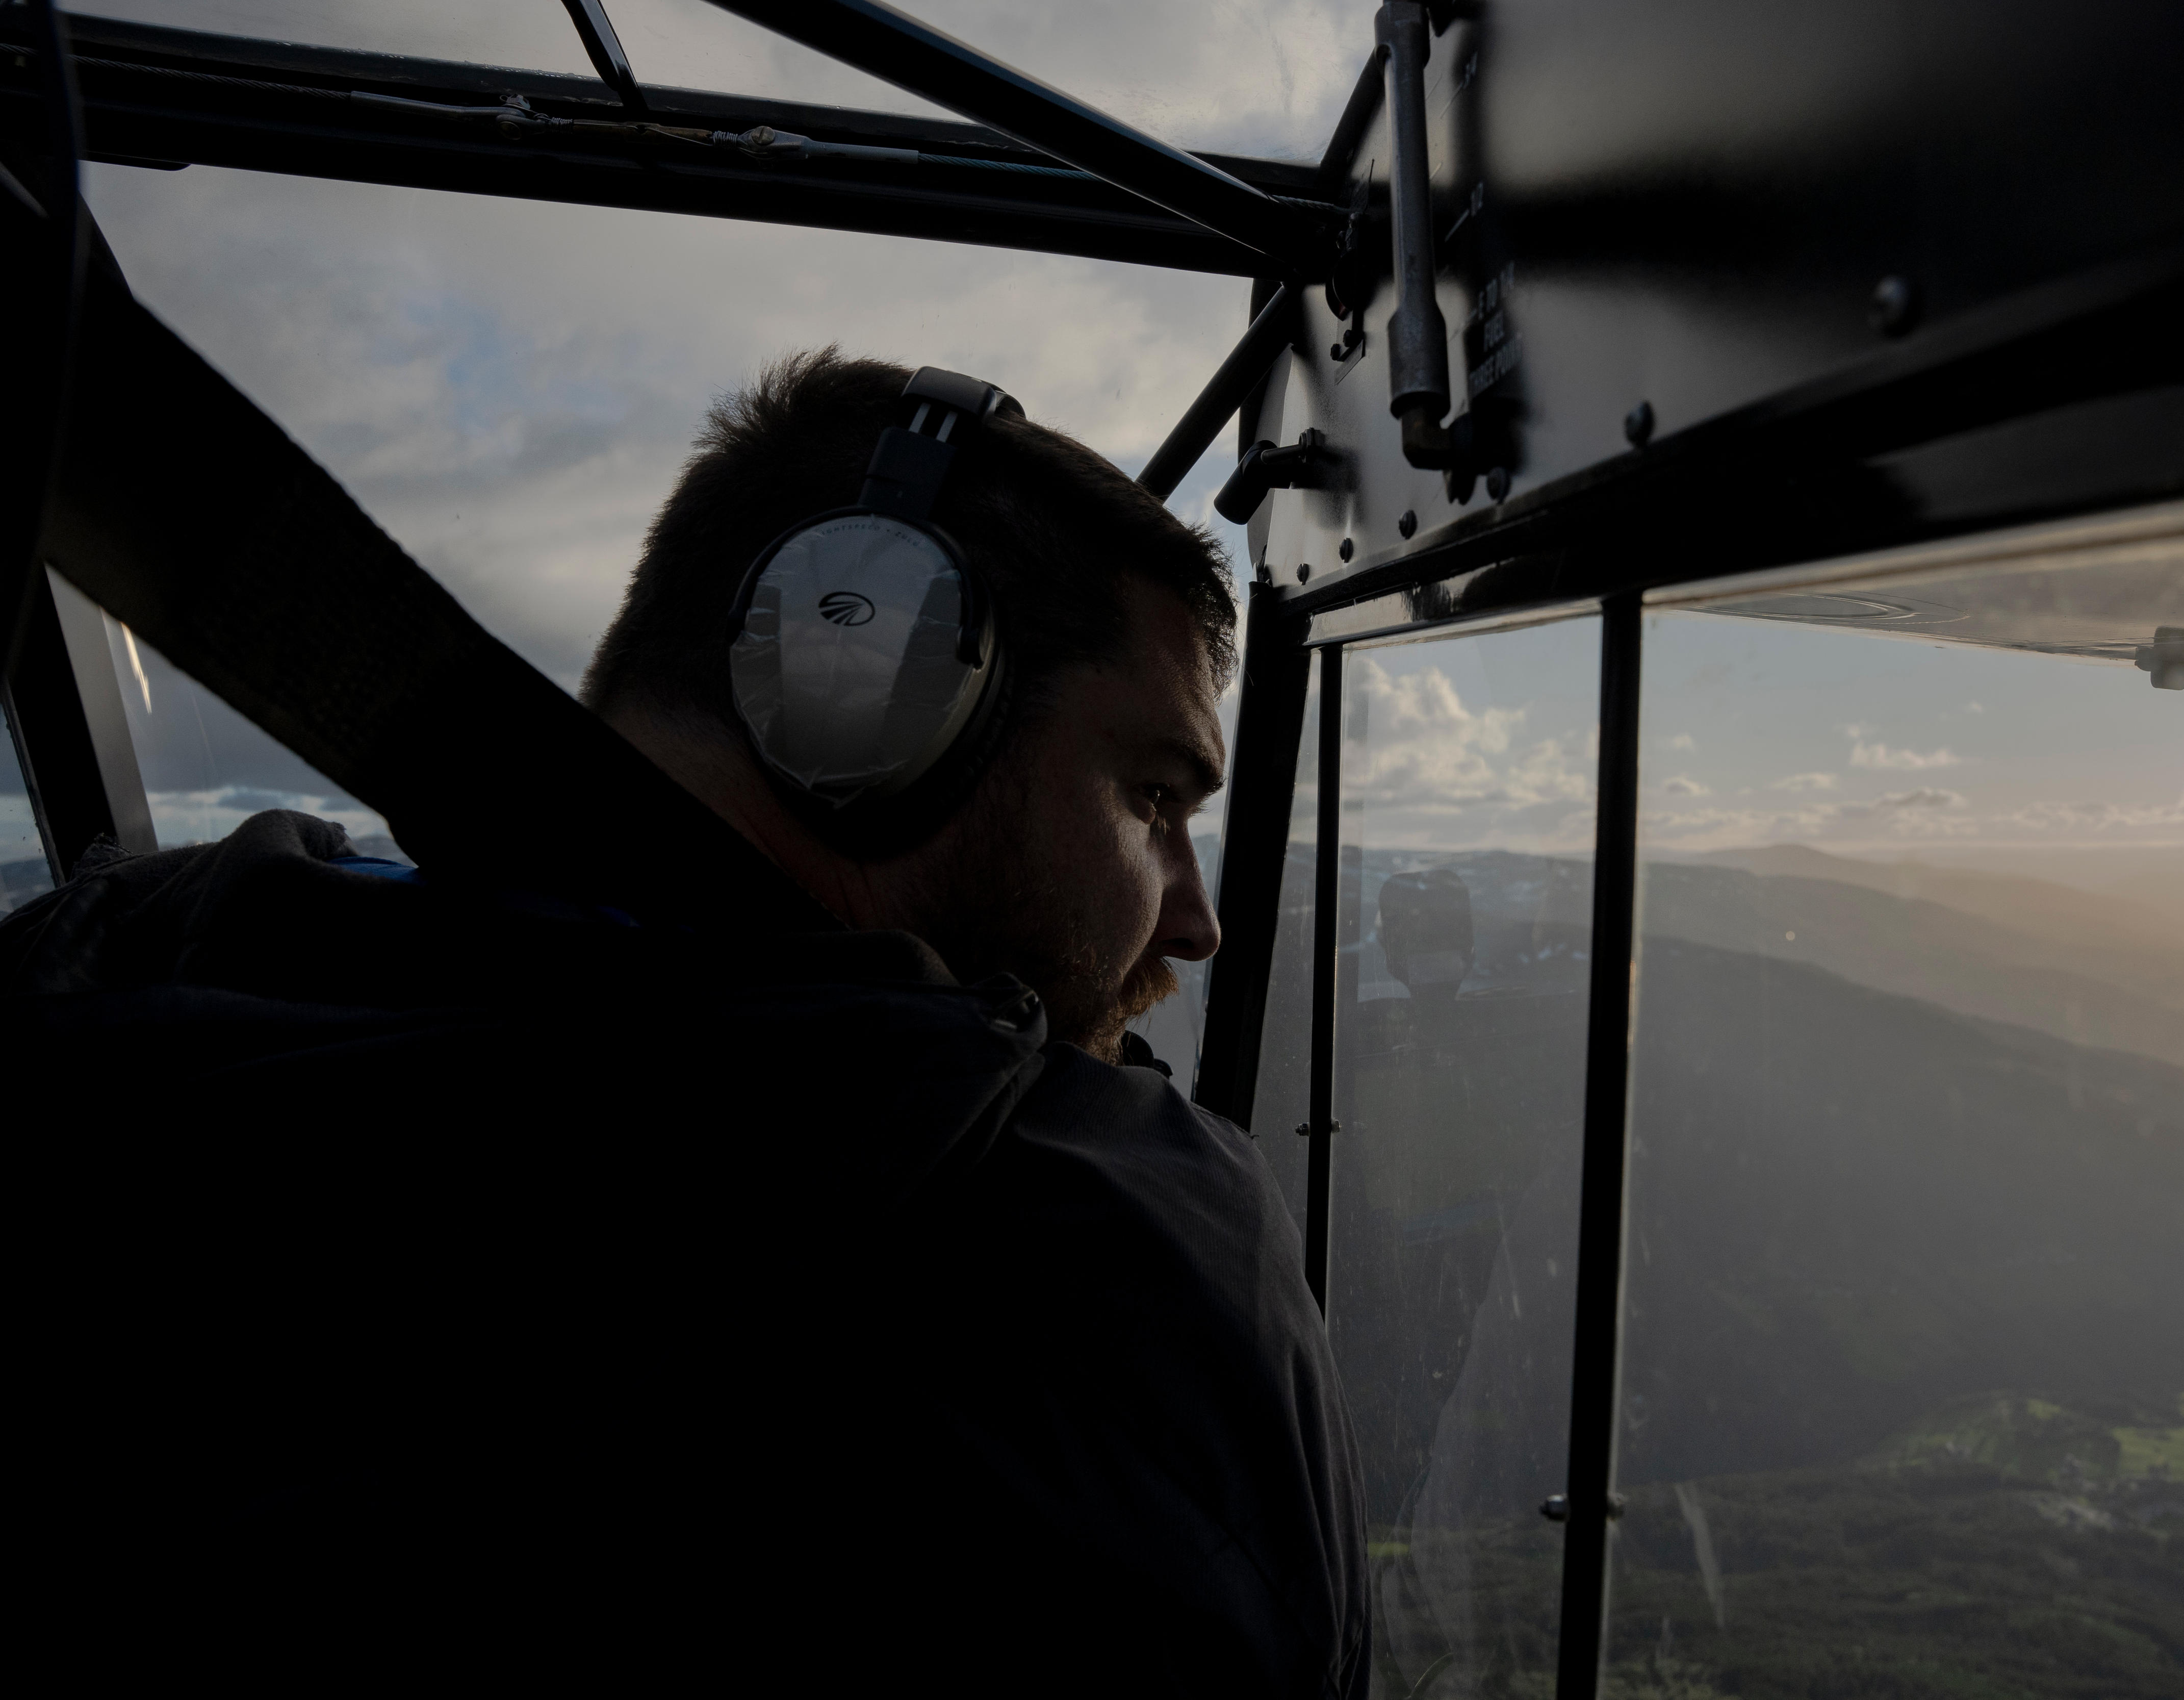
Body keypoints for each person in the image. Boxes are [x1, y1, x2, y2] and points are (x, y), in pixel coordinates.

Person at [6, 351, 1368, 1695]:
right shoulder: (1114, 1274)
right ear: (875, 698)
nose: (1194, 921)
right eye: (1151, 800)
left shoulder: (107, 994)